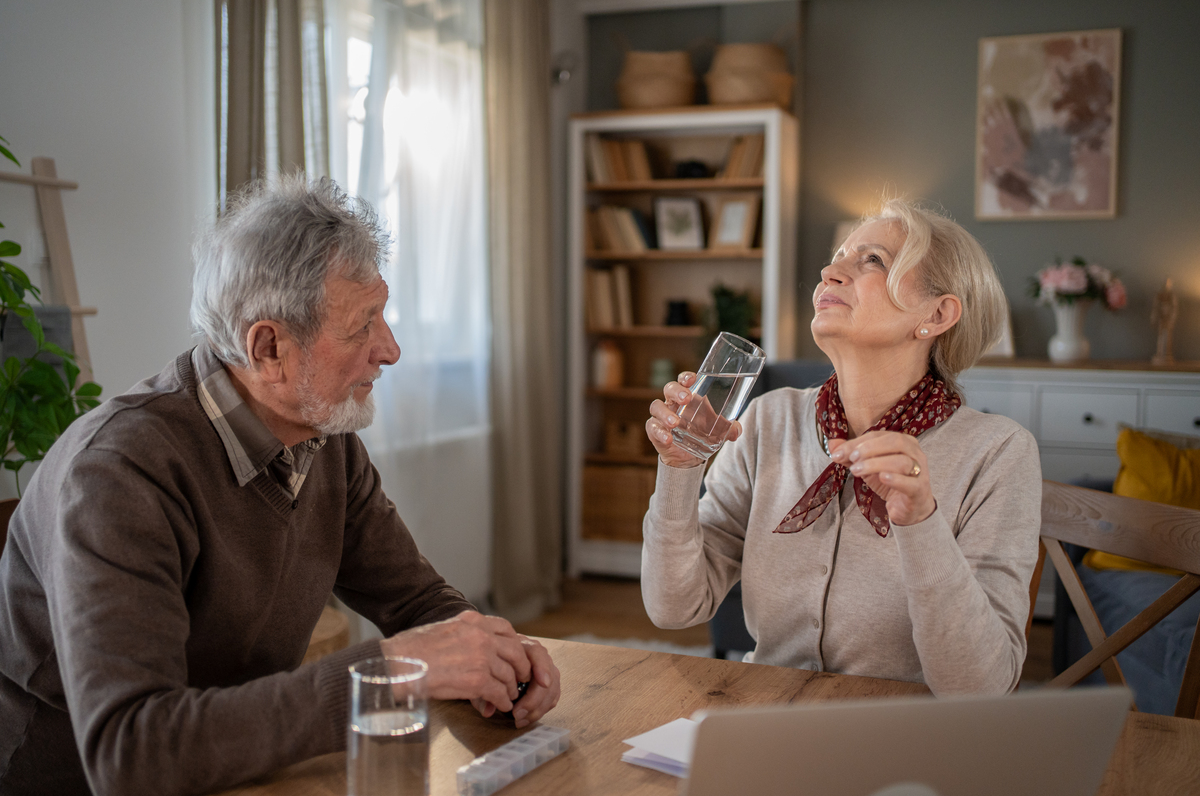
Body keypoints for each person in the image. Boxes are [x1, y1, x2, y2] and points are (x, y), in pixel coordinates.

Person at [0, 177, 560, 796]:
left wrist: (494, 651)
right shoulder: (117, 474)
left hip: (236, 773)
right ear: (268, 346)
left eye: (384, 313)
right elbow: (132, 754)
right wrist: (394, 670)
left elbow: (415, 602)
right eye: (363, 324)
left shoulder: (322, 437)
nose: (391, 349)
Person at [642, 199, 1041, 696]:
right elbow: (673, 607)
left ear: (938, 314)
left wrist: (920, 522)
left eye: (871, 260)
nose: (829, 271)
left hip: (905, 748)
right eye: (837, 257)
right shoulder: (767, 420)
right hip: (764, 723)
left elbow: (981, 687)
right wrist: (679, 468)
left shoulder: (999, 453)